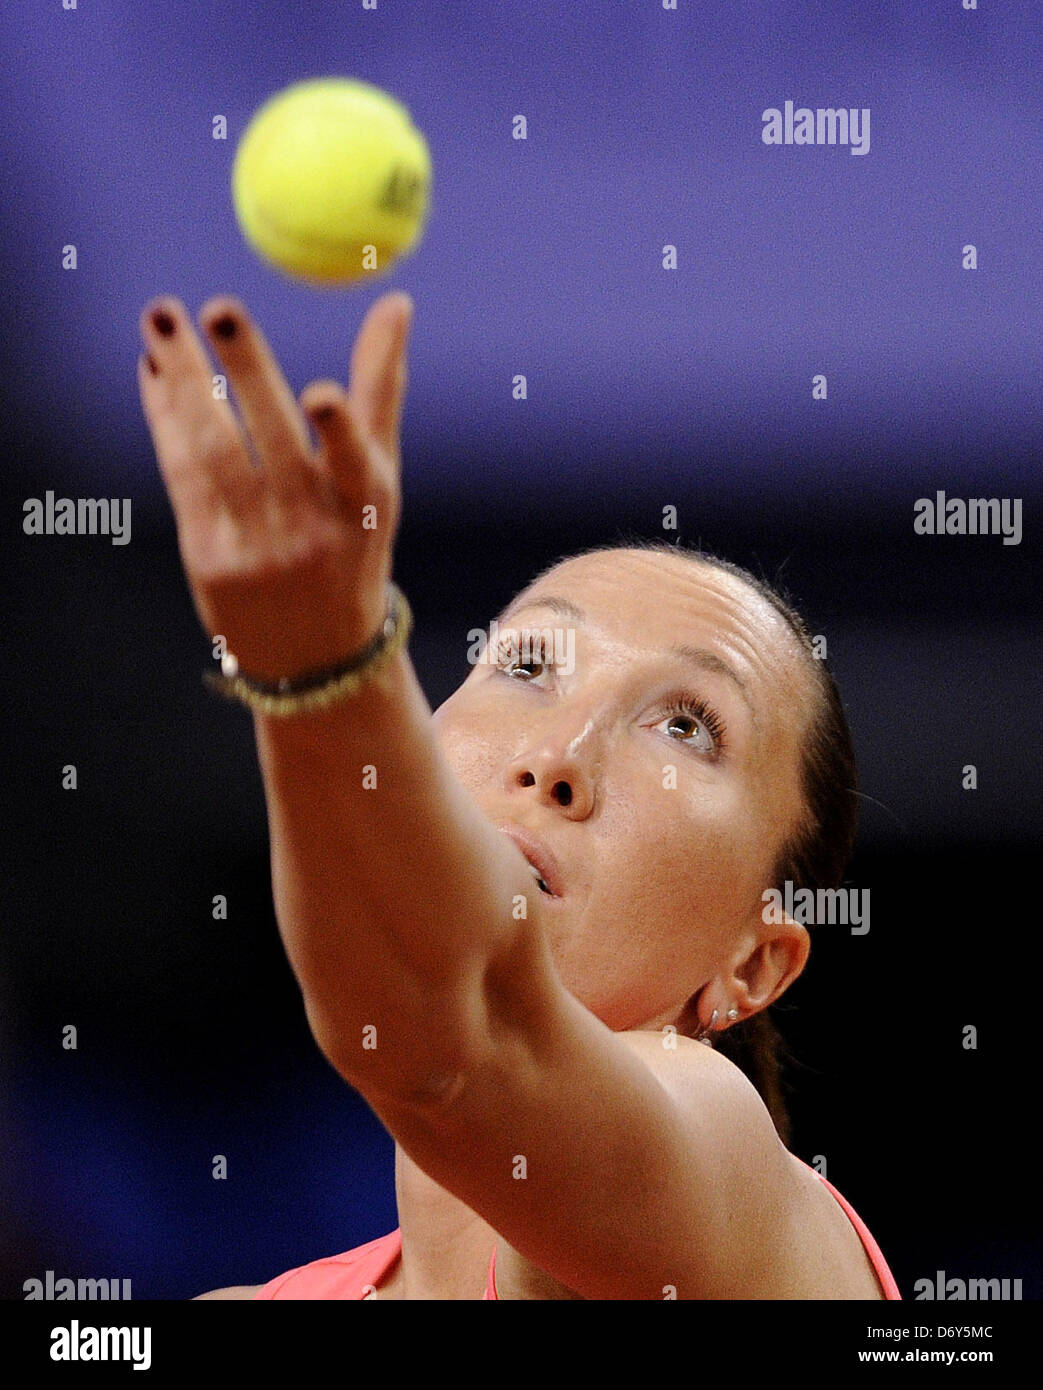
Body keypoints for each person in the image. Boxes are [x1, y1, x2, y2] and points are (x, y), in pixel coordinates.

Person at [137, 290, 900, 1301]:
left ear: (751, 961)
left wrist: (319, 667)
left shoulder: (734, 1196)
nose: (558, 756)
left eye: (684, 725)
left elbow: (457, 1046)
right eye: (527, 663)